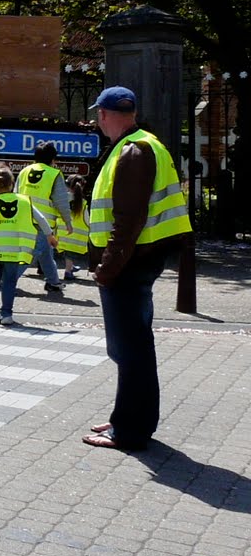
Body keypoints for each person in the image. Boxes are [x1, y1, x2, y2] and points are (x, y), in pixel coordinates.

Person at [83, 86, 192, 451]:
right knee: (132, 347)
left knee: (130, 349)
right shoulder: (143, 144)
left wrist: (108, 268)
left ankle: (130, 429)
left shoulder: (133, 150)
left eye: (98, 114)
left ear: (103, 114)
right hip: (139, 260)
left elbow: (127, 220)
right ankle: (125, 418)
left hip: (129, 264)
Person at [0, 166, 56, 328]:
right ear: (12, 184)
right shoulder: (25, 201)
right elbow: (40, 219)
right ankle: (6, 314)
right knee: (10, 281)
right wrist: (49, 235)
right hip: (16, 250)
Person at [15, 142, 72, 292]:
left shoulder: (24, 171)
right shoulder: (54, 174)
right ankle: (6, 281)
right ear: (53, 159)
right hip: (43, 222)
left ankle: (53, 282)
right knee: (33, 253)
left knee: (46, 253)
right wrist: (68, 221)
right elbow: (61, 201)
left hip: (23, 219)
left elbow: (15, 195)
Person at [61, 175, 91, 282]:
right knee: (69, 253)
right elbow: (87, 220)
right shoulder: (82, 203)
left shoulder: (62, 199)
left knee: (66, 252)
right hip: (76, 235)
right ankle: (68, 271)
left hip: (61, 233)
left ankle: (70, 267)